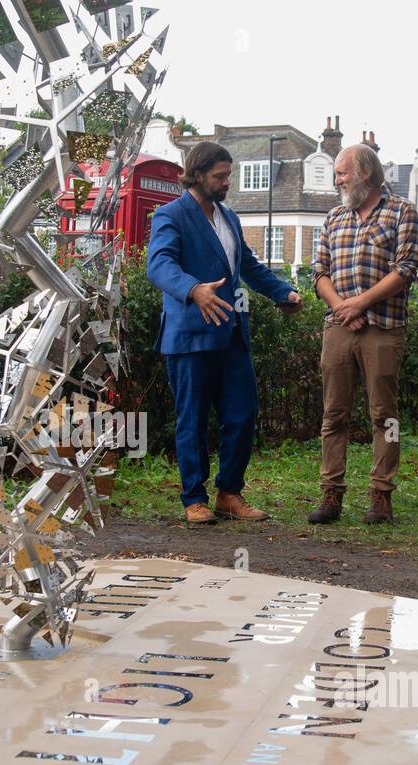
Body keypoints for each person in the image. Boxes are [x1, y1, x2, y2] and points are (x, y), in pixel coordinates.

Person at [146, 142, 303, 525]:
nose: (226, 183)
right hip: (189, 336)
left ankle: (229, 494)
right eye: (220, 176)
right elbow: (159, 265)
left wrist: (283, 291)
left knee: (242, 414)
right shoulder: (170, 215)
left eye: (228, 176)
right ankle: (194, 498)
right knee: (192, 419)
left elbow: (248, 266)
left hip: (232, 335)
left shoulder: (229, 217)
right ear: (197, 174)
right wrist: (193, 289)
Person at [307, 143, 418, 525]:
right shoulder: (334, 217)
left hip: (384, 329)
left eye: (342, 172)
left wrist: (361, 305)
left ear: (365, 174)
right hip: (339, 327)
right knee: (333, 413)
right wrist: (343, 307)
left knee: (383, 415)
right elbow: (318, 273)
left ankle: (381, 495)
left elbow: (405, 268)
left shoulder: (402, 212)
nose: (337, 179)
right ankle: (331, 495)